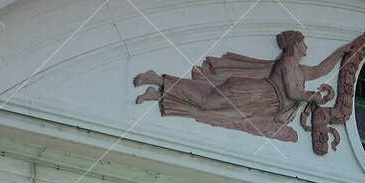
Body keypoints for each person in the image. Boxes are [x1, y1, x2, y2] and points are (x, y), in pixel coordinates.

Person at [134, 30, 347, 142]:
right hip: (254, 93)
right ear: (295, 45)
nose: (306, 46)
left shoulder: (300, 70)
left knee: (211, 110)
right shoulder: (288, 64)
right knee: (208, 102)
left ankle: (160, 94)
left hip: (262, 103)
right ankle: (158, 80)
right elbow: (292, 92)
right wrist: (313, 96)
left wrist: (343, 52)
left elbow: (321, 70)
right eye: (303, 42)